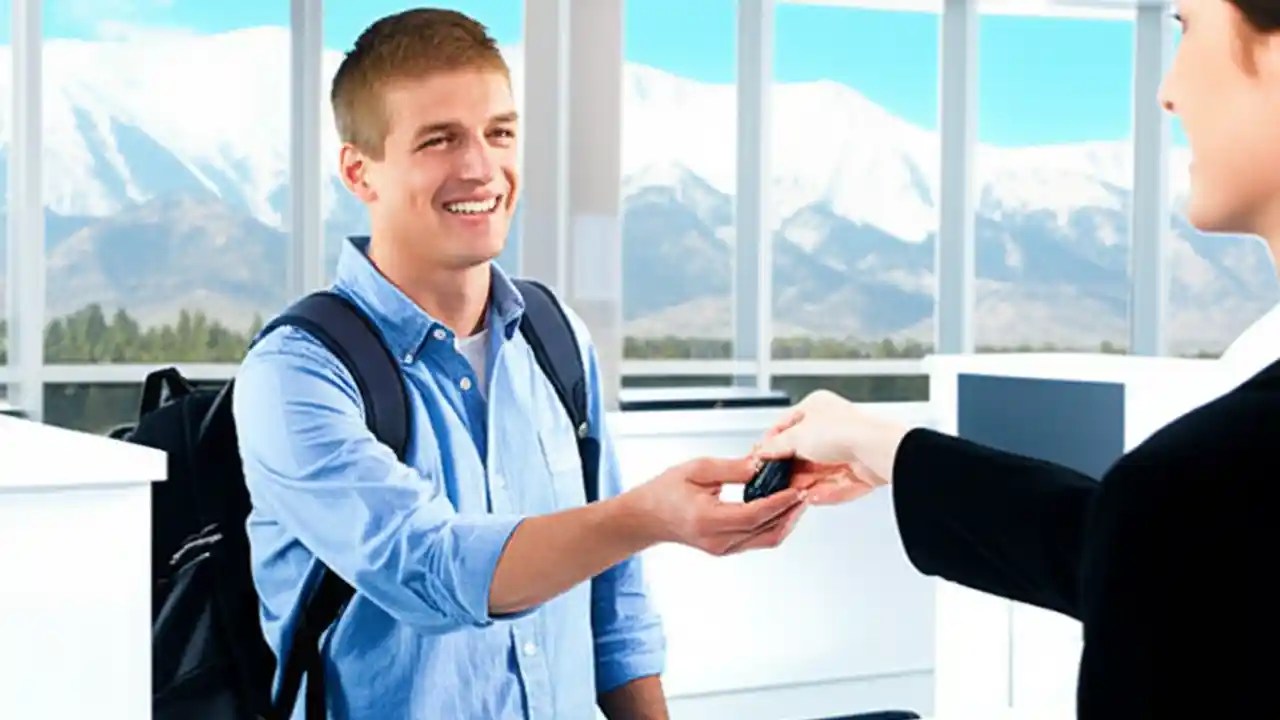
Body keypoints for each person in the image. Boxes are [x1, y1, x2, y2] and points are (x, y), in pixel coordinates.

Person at [232, 9, 808, 719]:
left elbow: (615, 606)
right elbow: (431, 570)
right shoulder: (295, 373)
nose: (480, 167)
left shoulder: (554, 336)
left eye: (499, 132)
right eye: (439, 140)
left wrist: (636, 529)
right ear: (361, 171)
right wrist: (644, 517)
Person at [753, 1, 1280, 717]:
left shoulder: (1203, 479)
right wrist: (885, 447)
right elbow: (1162, 563)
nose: (1168, 91)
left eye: (1186, 26)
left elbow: (1178, 543)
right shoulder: (1208, 468)